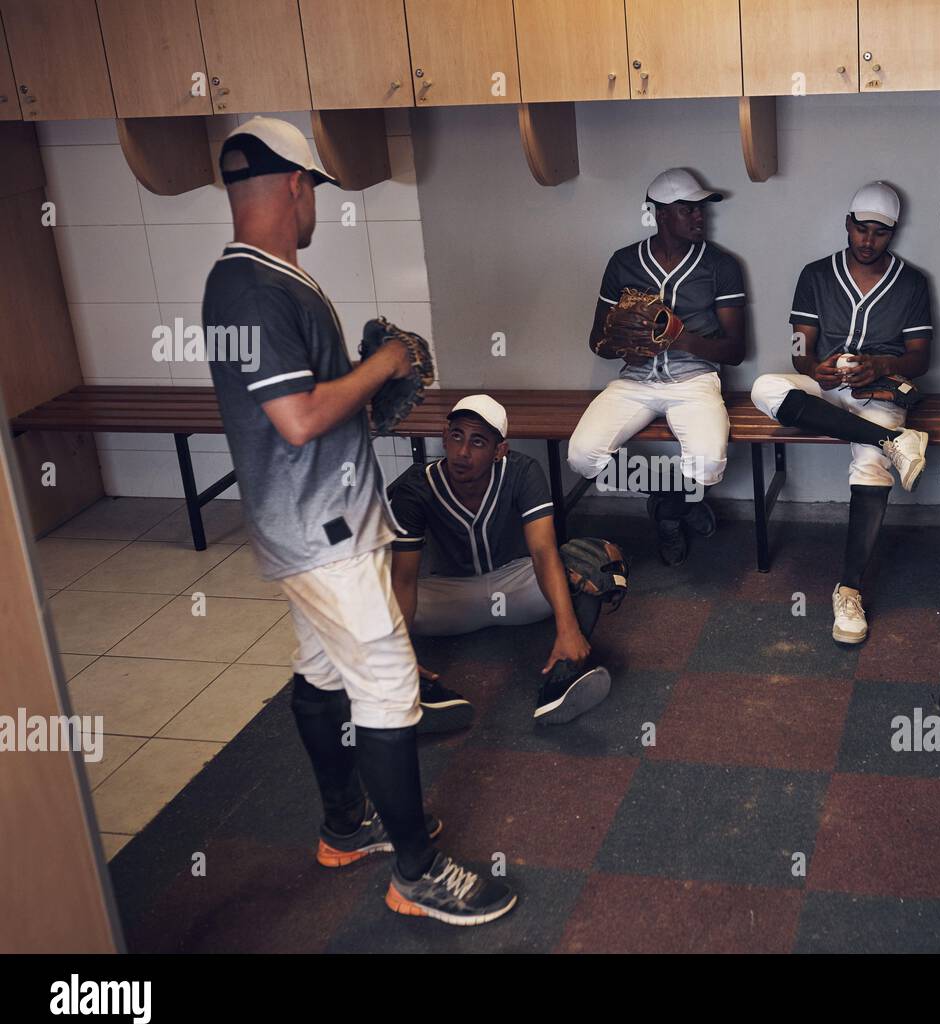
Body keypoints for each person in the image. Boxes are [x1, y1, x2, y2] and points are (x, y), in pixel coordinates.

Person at [202, 116, 514, 926]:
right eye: (315, 192)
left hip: (308, 520)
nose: (314, 208)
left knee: (322, 671)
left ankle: (345, 826)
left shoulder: (249, 277)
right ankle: (417, 874)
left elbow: (309, 409)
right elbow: (298, 418)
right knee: (386, 685)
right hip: (322, 532)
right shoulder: (255, 287)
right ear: (299, 186)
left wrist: (362, 395)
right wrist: (386, 365)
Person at [750, 181, 932, 645]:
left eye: (879, 232)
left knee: (872, 468)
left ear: (893, 233)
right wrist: (815, 368)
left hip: (877, 389)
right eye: (860, 229)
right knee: (765, 387)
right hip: (826, 386)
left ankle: (849, 590)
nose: (867, 241)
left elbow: (920, 358)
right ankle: (889, 440)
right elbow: (797, 348)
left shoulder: (911, 282)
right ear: (846, 224)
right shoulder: (815, 274)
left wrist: (882, 365)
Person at [388, 395, 626, 727]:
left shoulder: (522, 472)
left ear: (500, 450)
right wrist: (396, 654)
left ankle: (564, 676)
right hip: (448, 599)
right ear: (444, 437)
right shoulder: (416, 488)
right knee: (367, 591)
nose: (462, 452)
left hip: (515, 586)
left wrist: (568, 627)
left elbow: (543, 553)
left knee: (596, 560)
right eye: (456, 436)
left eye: (478, 442)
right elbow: (403, 579)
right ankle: (408, 690)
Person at [568, 167, 747, 565]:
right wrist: (622, 347)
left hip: (694, 380)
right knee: (581, 457)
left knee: (707, 465)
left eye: (702, 209)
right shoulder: (623, 262)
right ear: (661, 214)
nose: (701, 217)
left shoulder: (720, 265)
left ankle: (670, 510)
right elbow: (596, 341)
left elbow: (735, 349)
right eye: (689, 209)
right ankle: (673, 499)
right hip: (634, 382)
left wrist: (677, 336)